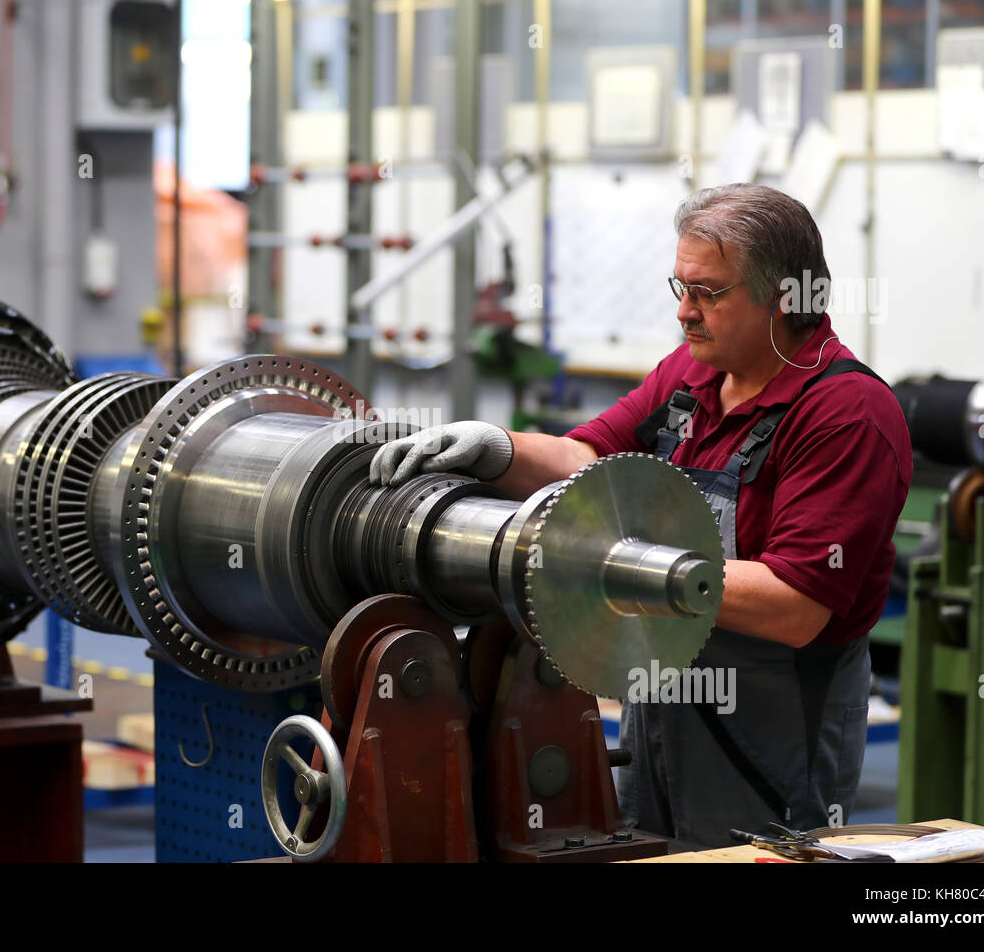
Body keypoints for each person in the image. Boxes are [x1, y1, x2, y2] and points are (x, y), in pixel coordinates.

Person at [368, 183, 911, 847]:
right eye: (678, 287)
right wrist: (497, 449)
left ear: (783, 298)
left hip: (773, 735)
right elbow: (585, 454)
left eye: (708, 292)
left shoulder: (845, 414)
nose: (685, 312)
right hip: (660, 705)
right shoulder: (692, 374)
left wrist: (618, 566)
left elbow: (796, 605)